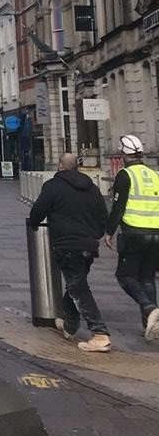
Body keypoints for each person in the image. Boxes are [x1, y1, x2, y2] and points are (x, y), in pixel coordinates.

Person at [28, 152, 111, 352]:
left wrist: (33, 224)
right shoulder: (91, 187)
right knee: (76, 283)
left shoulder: (53, 186)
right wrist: (94, 235)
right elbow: (103, 216)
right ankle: (70, 325)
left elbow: (38, 211)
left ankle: (100, 333)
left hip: (66, 244)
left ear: (59, 166)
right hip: (88, 246)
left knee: (78, 288)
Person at [105, 134, 159, 341]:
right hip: (155, 233)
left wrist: (109, 231)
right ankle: (151, 325)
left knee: (125, 276)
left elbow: (118, 207)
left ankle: (149, 307)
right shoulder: (153, 174)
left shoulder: (125, 175)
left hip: (134, 233)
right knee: (147, 277)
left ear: (124, 154)